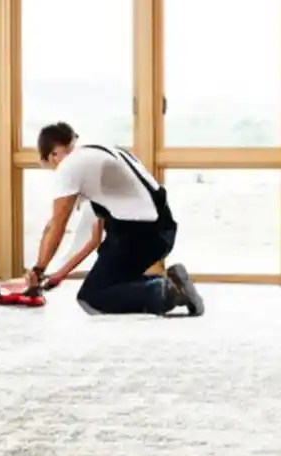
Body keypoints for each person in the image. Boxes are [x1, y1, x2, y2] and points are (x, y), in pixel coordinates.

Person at [24, 122, 205, 317]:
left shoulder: (69, 165)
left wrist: (38, 269)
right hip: (162, 231)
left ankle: (166, 291)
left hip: (137, 235)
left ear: (53, 154)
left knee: (93, 297)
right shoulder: (101, 153)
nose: (56, 170)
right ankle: (172, 285)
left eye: (51, 166)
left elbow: (57, 224)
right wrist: (59, 275)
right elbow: (92, 239)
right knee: (114, 285)